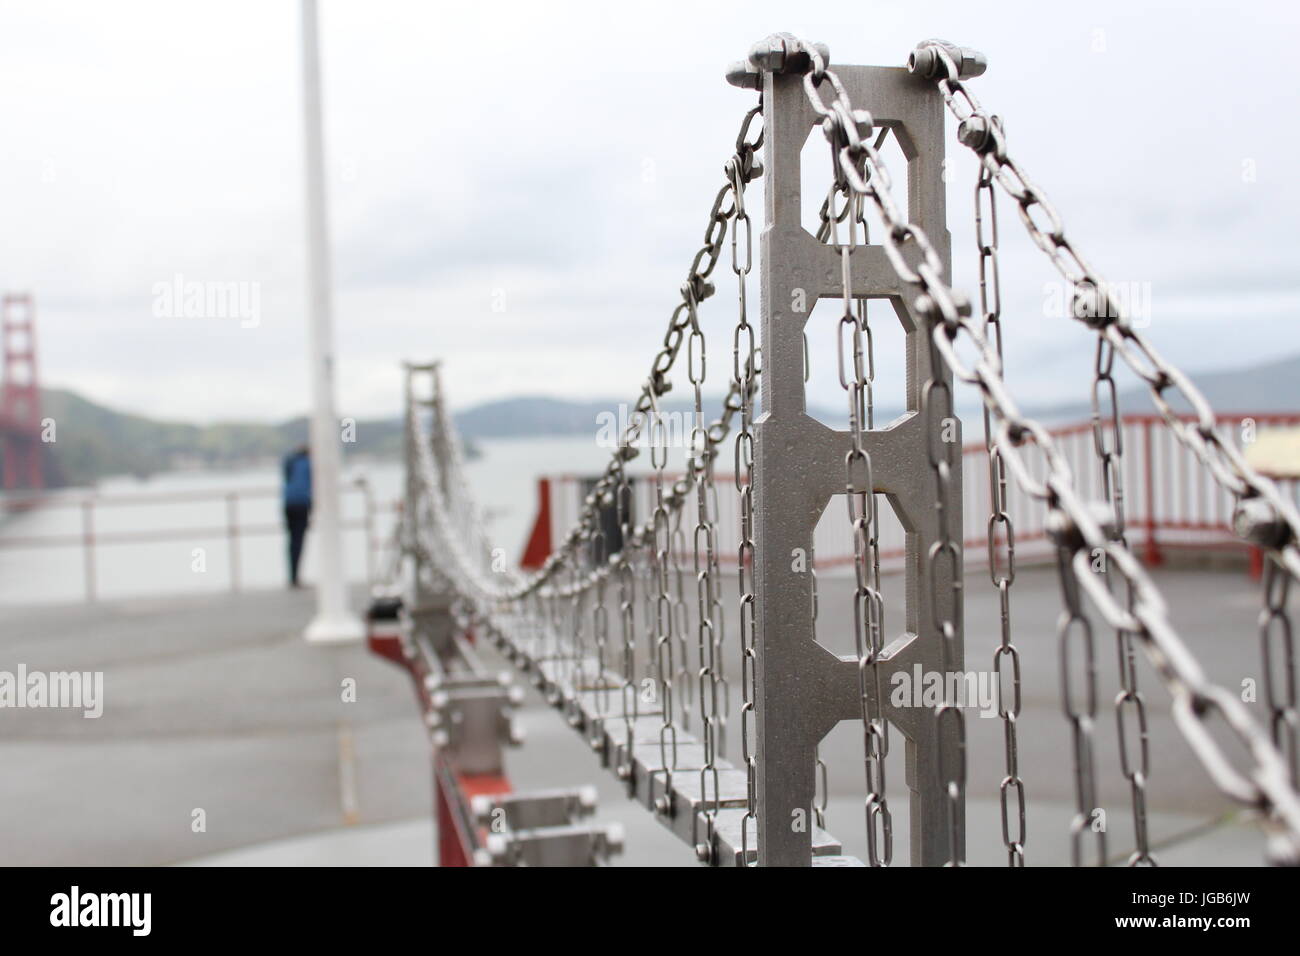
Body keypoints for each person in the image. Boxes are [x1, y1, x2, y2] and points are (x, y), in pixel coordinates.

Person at [282, 445, 312, 587]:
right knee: (299, 540)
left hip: (288, 504)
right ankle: (295, 578)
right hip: (302, 504)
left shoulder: (289, 462)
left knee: (292, 541)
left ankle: (292, 576)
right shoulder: (308, 464)